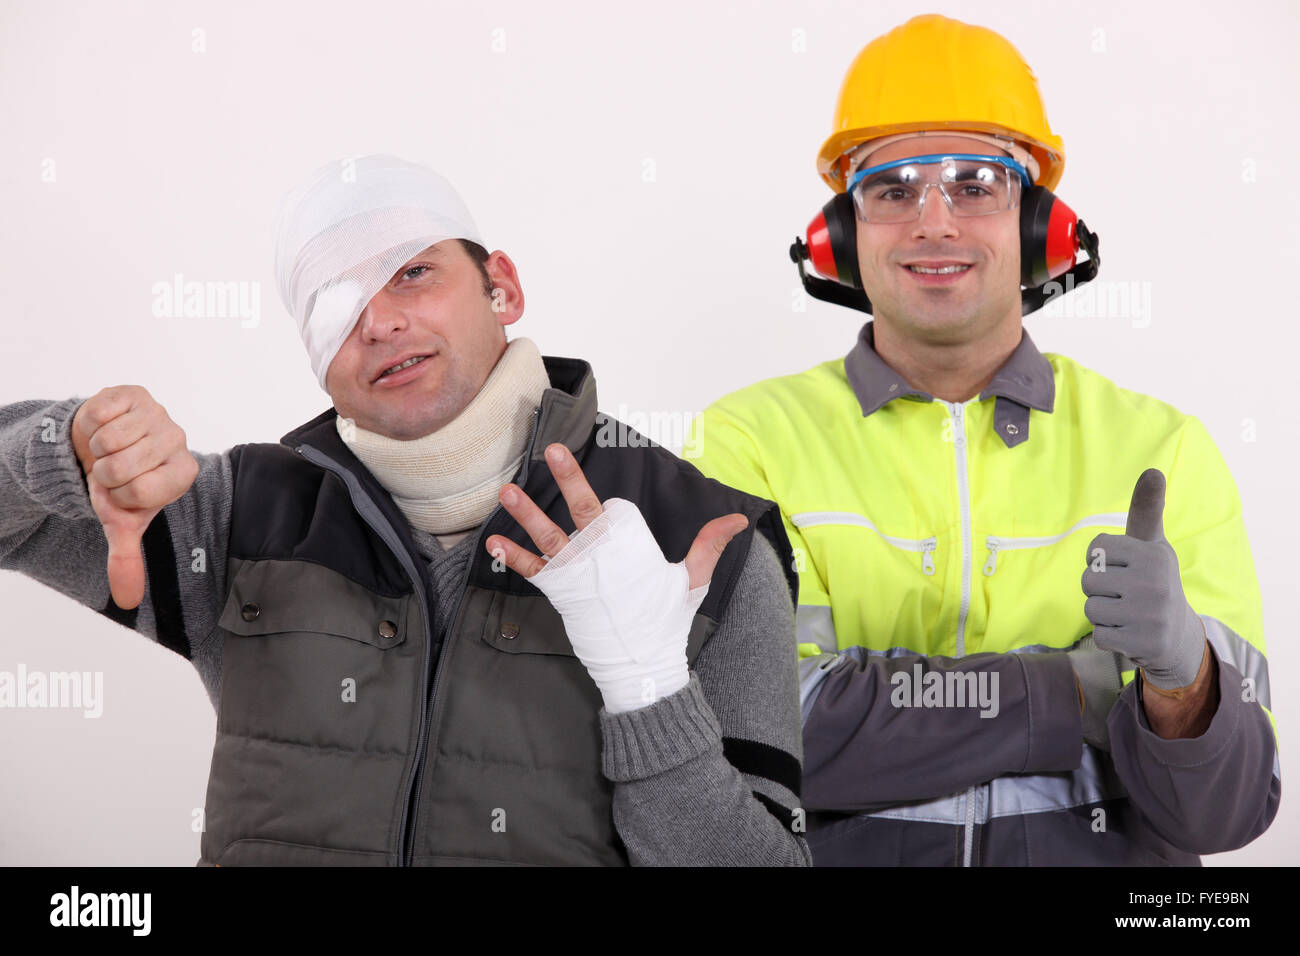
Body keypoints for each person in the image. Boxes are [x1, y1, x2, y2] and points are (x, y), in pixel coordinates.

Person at [0, 154, 810, 866]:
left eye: (411, 273)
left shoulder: (704, 542)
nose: (379, 322)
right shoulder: (235, 519)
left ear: (504, 287)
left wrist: (649, 688)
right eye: (331, 302)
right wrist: (62, 450)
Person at [687, 14, 1279, 865]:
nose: (934, 223)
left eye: (975, 184)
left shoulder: (1164, 449)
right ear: (841, 236)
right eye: (893, 189)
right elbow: (766, 740)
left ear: (1041, 227)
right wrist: (1075, 692)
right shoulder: (745, 442)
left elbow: (1221, 820)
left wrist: (1185, 678)